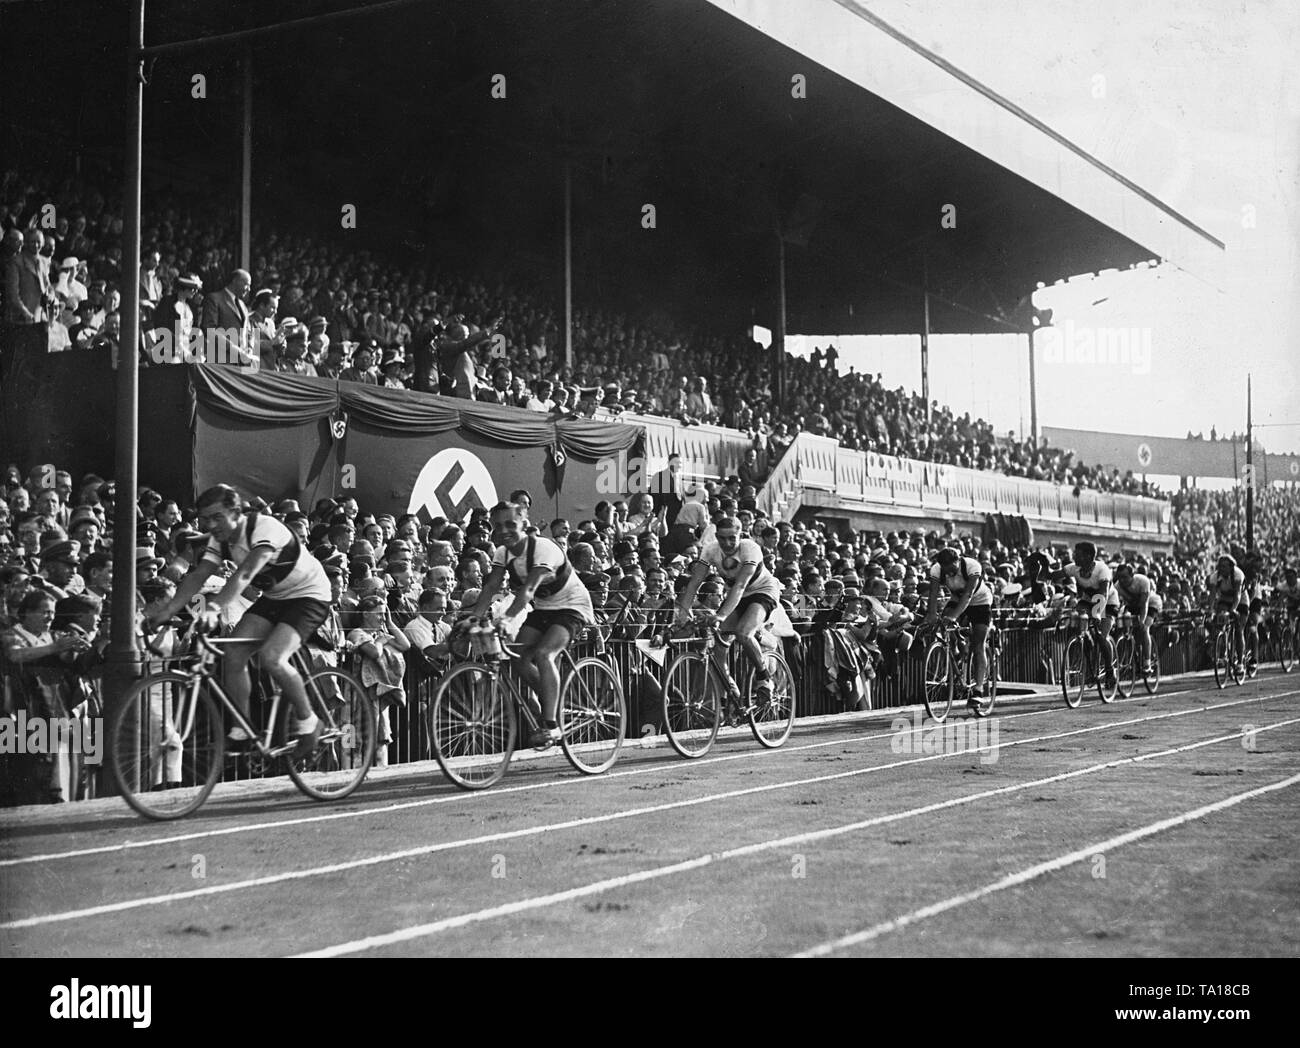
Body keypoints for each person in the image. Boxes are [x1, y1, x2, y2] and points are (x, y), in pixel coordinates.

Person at [144, 484, 332, 751]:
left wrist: (213, 608)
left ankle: (309, 722)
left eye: (217, 517)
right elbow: (198, 576)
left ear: (236, 513)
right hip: (277, 597)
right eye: (205, 519)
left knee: (271, 658)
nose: (210, 524)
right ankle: (242, 730)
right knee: (233, 652)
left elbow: (244, 575)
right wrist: (168, 611)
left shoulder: (265, 528)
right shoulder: (219, 539)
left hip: (309, 595)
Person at [469, 501, 595, 749]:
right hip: (545, 608)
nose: (504, 531)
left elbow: (528, 589)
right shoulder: (502, 553)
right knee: (518, 657)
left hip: (573, 606)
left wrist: (505, 619)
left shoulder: (544, 548)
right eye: (498, 526)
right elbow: (492, 586)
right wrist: (473, 618)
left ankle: (550, 724)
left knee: (543, 654)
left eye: (510, 525)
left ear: (525, 525)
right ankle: (554, 701)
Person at [673, 515, 783, 707]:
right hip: (736, 596)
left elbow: (740, 585)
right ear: (716, 536)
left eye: (732, 537)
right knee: (719, 647)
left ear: (741, 535)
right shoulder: (711, 550)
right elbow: (693, 584)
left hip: (762, 591)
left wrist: (721, 615)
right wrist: (683, 613)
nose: (727, 543)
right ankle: (730, 694)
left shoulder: (751, 549)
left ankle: (764, 677)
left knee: (743, 633)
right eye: (722, 538)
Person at [925, 545, 995, 705]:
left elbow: (968, 595)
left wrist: (954, 616)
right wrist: (931, 615)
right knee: (943, 623)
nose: (949, 573)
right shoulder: (937, 570)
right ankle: (957, 647)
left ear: (958, 561)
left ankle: (978, 689)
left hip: (980, 601)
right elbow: (933, 594)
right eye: (946, 570)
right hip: (956, 599)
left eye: (952, 570)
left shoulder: (972, 566)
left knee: (979, 645)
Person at [1063, 541, 1118, 689]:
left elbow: (1103, 594)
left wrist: (1097, 614)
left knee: (1101, 635)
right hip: (1088, 600)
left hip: (1108, 601)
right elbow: (1054, 574)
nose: (1074, 556)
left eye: (1078, 554)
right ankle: (1085, 641)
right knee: (1079, 620)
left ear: (1088, 557)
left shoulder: (1102, 570)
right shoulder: (1075, 568)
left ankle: (1109, 670)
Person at [1114, 562, 1163, 674]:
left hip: (1151, 604)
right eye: (1120, 577)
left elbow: (1144, 604)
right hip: (1133, 605)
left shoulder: (1143, 581)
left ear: (1132, 575)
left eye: (1125, 577)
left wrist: (1141, 621)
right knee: (1130, 631)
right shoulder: (1117, 586)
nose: (1122, 580)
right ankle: (1132, 656)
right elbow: (1117, 605)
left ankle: (1147, 663)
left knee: (1144, 628)